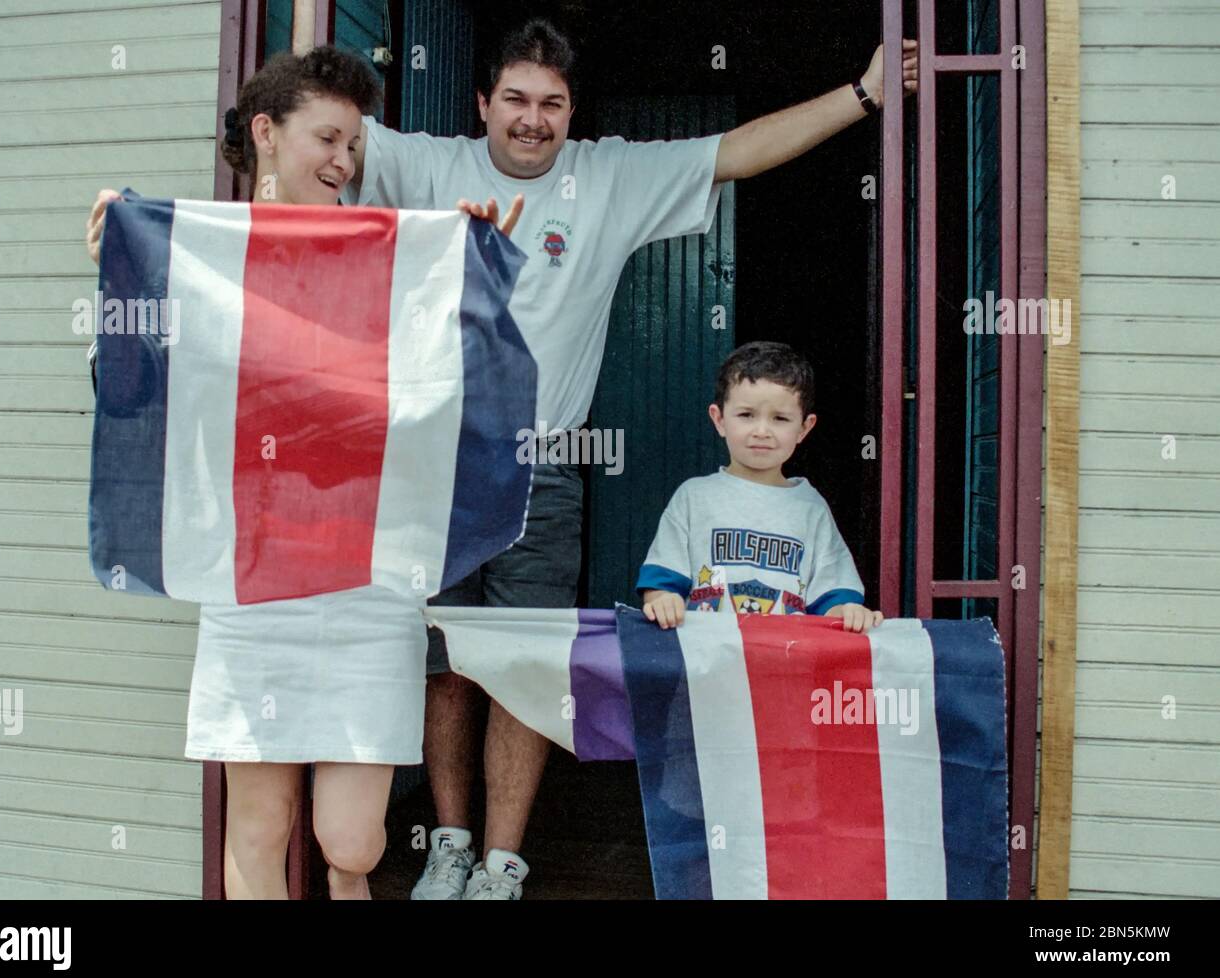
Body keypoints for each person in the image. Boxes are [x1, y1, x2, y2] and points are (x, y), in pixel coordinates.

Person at [334, 18, 916, 899]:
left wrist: (865, 93)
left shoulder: (605, 174)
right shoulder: (424, 163)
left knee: (522, 665)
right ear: (483, 102)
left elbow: (740, 152)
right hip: (430, 463)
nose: (534, 120)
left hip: (545, 466)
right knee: (444, 660)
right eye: (517, 100)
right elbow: (315, 132)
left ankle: (500, 864)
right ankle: (448, 843)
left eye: (553, 104)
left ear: (572, 112)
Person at [83, 46, 519, 899]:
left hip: (368, 581)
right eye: (328, 138)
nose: (345, 162)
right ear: (266, 134)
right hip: (254, 581)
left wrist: (479, 279)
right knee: (256, 828)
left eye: (353, 146)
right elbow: (131, 397)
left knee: (352, 843)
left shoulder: (388, 259)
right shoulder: (198, 257)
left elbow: (461, 404)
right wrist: (116, 275)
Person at [638, 341, 883, 634]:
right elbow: (660, 584)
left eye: (780, 418)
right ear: (719, 419)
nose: (762, 431)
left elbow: (833, 598)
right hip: (704, 662)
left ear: (805, 427)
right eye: (746, 415)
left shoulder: (811, 508)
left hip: (785, 666)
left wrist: (848, 612)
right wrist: (663, 601)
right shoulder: (693, 497)